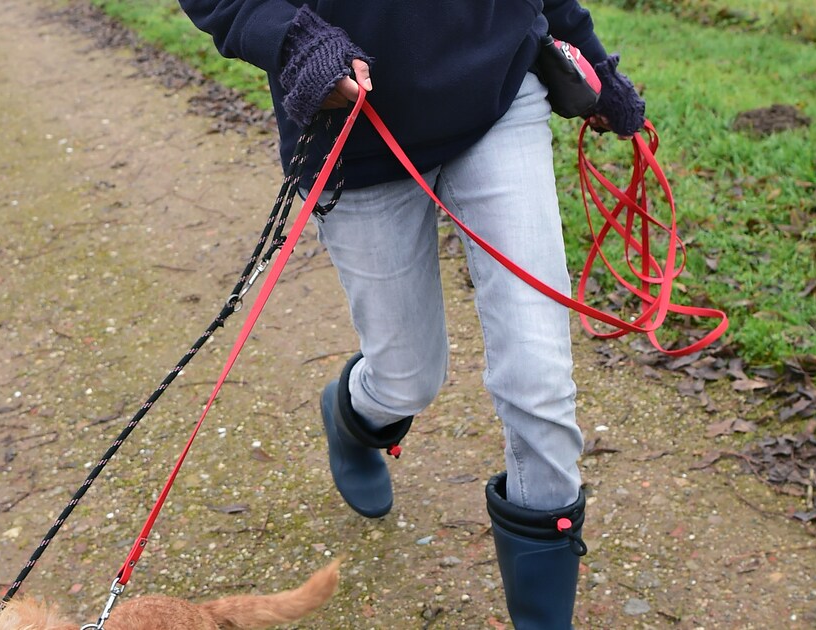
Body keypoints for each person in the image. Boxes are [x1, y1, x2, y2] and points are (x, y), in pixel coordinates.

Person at [175, 1, 645, 627]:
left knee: (540, 379)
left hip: (498, 92)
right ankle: (355, 415)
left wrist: (585, 47)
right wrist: (293, 38)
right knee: (409, 375)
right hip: (356, 124)